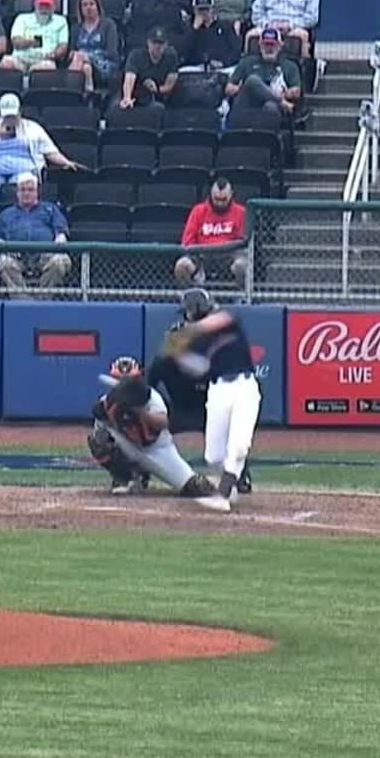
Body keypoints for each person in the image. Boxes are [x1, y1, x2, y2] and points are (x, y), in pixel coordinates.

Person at [162, 288, 260, 513]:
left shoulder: (227, 320)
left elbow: (219, 321)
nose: (185, 317)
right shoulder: (198, 340)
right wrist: (179, 354)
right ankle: (232, 486)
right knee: (213, 456)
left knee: (239, 444)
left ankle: (223, 494)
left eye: (187, 312)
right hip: (218, 391)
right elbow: (200, 368)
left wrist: (186, 335)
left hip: (244, 388)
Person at [88, 355, 219, 498]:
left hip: (157, 450)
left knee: (196, 488)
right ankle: (127, 478)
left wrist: (141, 413)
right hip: (130, 446)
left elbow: (163, 422)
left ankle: (221, 483)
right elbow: (99, 418)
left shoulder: (152, 399)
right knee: (98, 441)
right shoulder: (107, 404)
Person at [0, 92, 81, 193]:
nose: (10, 119)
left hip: (23, 170)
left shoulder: (33, 128)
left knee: (23, 185)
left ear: (19, 112)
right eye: (7, 116)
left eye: (13, 116)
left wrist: (66, 162)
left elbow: (50, 151)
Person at [0, 171, 71, 293]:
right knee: (4, 263)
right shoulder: (6, 214)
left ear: (37, 192)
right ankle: (23, 303)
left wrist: (57, 242)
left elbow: (61, 233)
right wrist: (4, 247)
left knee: (59, 262)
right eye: (23, 190)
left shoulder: (50, 209)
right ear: (17, 193)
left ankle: (42, 302)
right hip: (15, 256)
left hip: (46, 255)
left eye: (30, 189)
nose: (26, 193)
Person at [174, 177, 248, 287]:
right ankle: (190, 295)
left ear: (231, 195)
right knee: (181, 265)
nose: (219, 203)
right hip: (201, 256)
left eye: (223, 200)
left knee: (241, 266)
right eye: (216, 199)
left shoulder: (241, 212)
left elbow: (243, 242)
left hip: (229, 256)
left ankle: (239, 298)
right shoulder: (198, 211)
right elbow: (187, 241)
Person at [225, 28, 302, 116]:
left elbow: (296, 92)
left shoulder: (289, 66)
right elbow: (228, 88)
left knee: (270, 107)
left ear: (280, 46)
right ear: (260, 45)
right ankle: (281, 102)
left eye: (272, 45)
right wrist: (250, 88)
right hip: (246, 103)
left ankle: (277, 104)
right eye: (265, 45)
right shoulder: (247, 62)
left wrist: (282, 92)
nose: (269, 48)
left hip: (272, 107)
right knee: (252, 81)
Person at [1, 0, 69, 72]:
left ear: (54, 6)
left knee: (46, 68)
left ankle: (30, 76)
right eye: (41, 5)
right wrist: (31, 42)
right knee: (6, 62)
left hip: (44, 60)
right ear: (35, 4)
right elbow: (15, 41)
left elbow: (63, 46)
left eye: (47, 5)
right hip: (20, 58)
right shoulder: (22, 18)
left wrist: (54, 54)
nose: (44, 9)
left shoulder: (61, 21)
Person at [67, 0, 122, 93]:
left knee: (81, 59)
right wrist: (78, 55)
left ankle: (71, 91)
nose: (88, 8)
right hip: (81, 64)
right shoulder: (76, 28)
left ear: (97, 6)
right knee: (86, 67)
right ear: (80, 9)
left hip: (104, 64)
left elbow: (112, 52)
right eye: (85, 5)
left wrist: (89, 57)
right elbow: (71, 52)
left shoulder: (108, 25)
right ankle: (88, 92)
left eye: (91, 4)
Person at [119, 27, 178, 109]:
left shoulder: (171, 57)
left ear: (166, 44)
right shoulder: (136, 55)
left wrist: (157, 89)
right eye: (154, 42)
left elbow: (170, 84)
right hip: (136, 93)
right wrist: (127, 98)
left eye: (161, 43)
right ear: (148, 43)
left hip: (158, 96)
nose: (157, 46)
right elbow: (129, 79)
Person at [184, 0, 241, 71]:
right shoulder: (188, 27)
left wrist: (223, 63)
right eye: (200, 9)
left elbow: (236, 51)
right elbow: (183, 52)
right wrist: (194, 28)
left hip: (222, 68)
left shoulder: (225, 26)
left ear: (213, 9)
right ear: (194, 10)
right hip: (196, 68)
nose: (204, 13)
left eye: (206, 9)